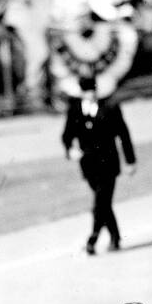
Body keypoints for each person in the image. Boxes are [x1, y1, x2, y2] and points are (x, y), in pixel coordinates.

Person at [61, 75, 137, 254]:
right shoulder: (75, 110)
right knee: (104, 203)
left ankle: (93, 238)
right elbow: (67, 135)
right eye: (87, 91)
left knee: (100, 202)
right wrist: (69, 150)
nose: (91, 95)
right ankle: (115, 236)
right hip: (88, 164)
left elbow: (123, 135)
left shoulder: (110, 108)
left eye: (93, 90)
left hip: (108, 163)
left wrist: (130, 161)